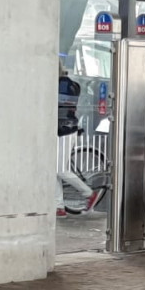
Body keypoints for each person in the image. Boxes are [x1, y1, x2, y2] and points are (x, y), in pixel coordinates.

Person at [57, 58, 96, 215]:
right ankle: (58, 206)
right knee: (54, 169)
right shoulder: (65, 84)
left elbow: (61, 108)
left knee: (60, 169)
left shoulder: (64, 85)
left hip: (65, 130)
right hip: (60, 129)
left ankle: (88, 193)